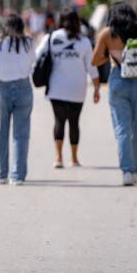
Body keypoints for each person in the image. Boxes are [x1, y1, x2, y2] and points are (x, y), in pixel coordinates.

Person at [92, 3, 137, 185]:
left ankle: (126, 171)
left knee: (122, 128)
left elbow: (94, 60)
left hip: (118, 79)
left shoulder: (107, 33)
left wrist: (111, 55)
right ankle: (134, 171)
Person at [37, 9, 100, 169]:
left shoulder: (51, 37)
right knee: (74, 123)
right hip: (77, 89)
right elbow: (91, 67)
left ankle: (58, 157)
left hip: (56, 87)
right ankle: (74, 158)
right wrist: (97, 88)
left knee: (59, 121)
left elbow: (37, 56)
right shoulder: (84, 41)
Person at [0, 13, 36, 185]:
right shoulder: (28, 43)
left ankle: (1, 173)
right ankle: (17, 175)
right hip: (23, 87)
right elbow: (33, 63)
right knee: (21, 134)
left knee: (2, 131)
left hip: (3, 88)